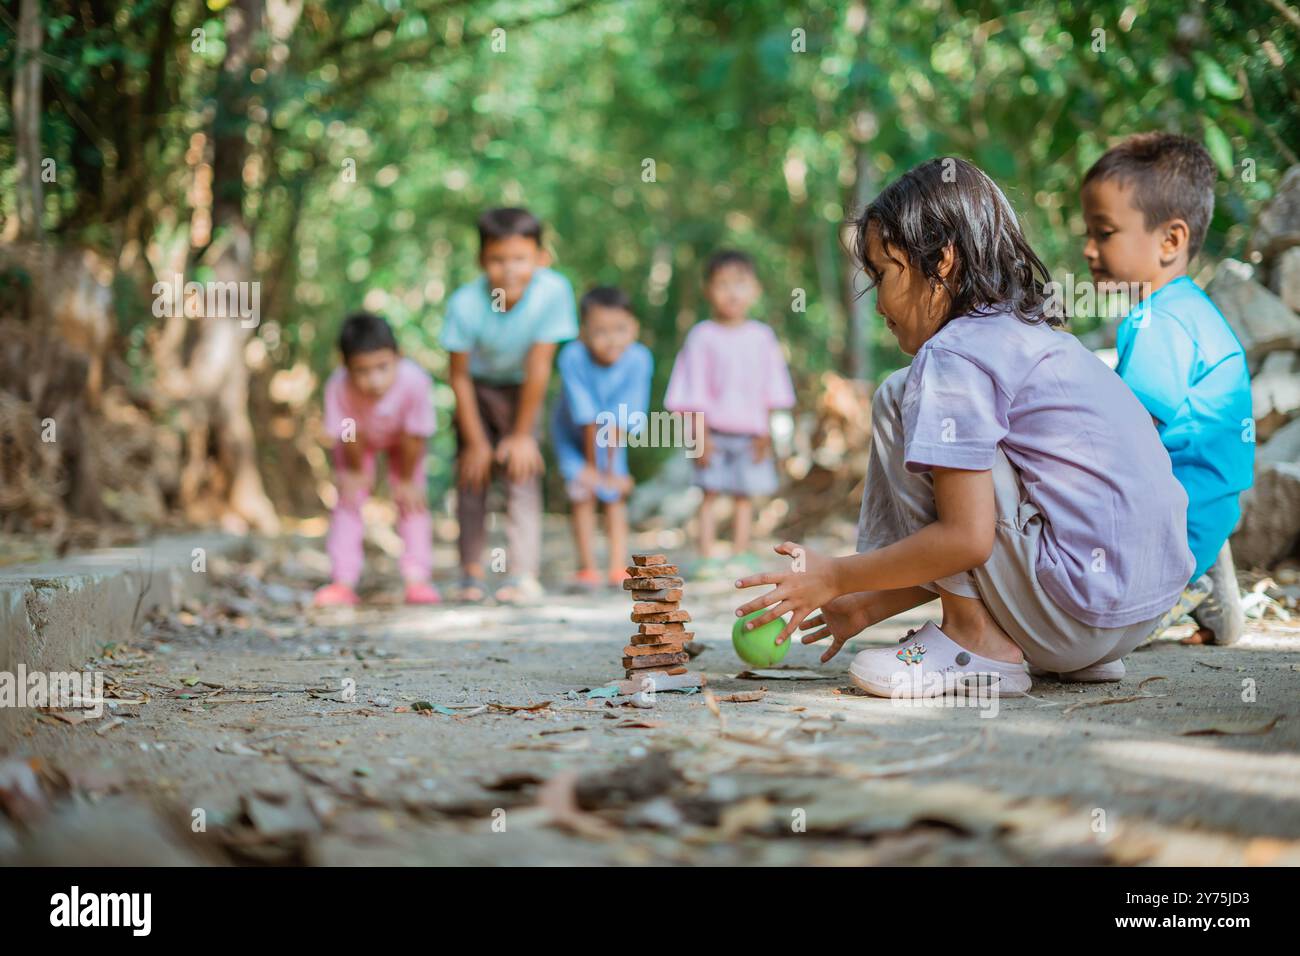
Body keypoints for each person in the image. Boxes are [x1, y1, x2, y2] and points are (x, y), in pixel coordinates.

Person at [733, 158, 1193, 698]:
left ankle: (975, 641)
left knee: (897, 395)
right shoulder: (1036, 335)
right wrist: (866, 601)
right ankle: (1044, 646)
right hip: (1135, 613)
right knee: (934, 420)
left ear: (943, 260)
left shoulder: (952, 357)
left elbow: (967, 539)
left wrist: (836, 575)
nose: (879, 303)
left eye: (882, 274)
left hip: (1074, 610)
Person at [1081, 132, 1253, 646]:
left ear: (1170, 241)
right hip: (1207, 504)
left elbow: (1130, 433)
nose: (1089, 249)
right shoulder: (1181, 308)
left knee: (1088, 638)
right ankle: (1205, 579)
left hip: (1173, 522)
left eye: (1104, 232)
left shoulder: (1161, 320)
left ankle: (1185, 586)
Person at [441, 207, 578, 603]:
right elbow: (459, 376)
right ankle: (469, 573)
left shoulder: (553, 292)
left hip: (524, 391)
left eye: (520, 258)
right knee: (472, 476)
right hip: (477, 391)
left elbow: (539, 366)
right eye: (498, 259)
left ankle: (521, 574)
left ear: (541, 257)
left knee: (522, 473)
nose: (509, 270)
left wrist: (521, 434)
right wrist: (477, 441)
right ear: (482, 261)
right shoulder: (465, 304)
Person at [663, 250, 795, 576]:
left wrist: (767, 429)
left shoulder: (762, 337)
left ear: (755, 290)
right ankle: (706, 554)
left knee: (744, 495)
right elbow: (692, 387)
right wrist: (699, 434)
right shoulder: (702, 336)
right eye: (722, 284)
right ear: (707, 290)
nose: (732, 292)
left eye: (740, 284)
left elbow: (771, 386)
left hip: (751, 432)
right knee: (708, 492)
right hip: (713, 432)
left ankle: (741, 551)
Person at [316, 311, 440, 607]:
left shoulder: (415, 382)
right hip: (356, 440)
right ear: (345, 367)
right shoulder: (338, 387)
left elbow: (414, 435)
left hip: (405, 441)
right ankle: (342, 580)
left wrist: (408, 479)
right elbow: (346, 433)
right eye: (362, 371)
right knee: (348, 497)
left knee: (412, 500)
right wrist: (357, 471)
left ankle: (417, 578)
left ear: (398, 357)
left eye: (383, 367)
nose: (374, 380)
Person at [551, 287, 653, 589]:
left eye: (620, 329)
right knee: (583, 492)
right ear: (583, 333)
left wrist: (610, 474)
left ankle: (617, 567)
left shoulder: (639, 359)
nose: (611, 339)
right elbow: (586, 419)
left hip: (612, 436)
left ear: (634, 328)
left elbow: (625, 416)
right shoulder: (572, 356)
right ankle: (587, 568)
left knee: (614, 495)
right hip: (573, 435)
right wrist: (594, 473)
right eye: (601, 331)